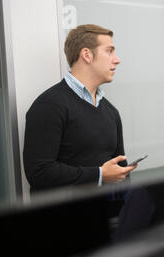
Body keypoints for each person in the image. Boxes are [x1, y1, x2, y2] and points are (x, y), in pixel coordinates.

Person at [23, 24, 137, 193]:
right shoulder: (49, 105)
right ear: (87, 55)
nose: (117, 59)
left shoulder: (111, 112)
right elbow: (39, 172)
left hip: (105, 215)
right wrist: (99, 174)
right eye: (109, 51)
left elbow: (119, 169)